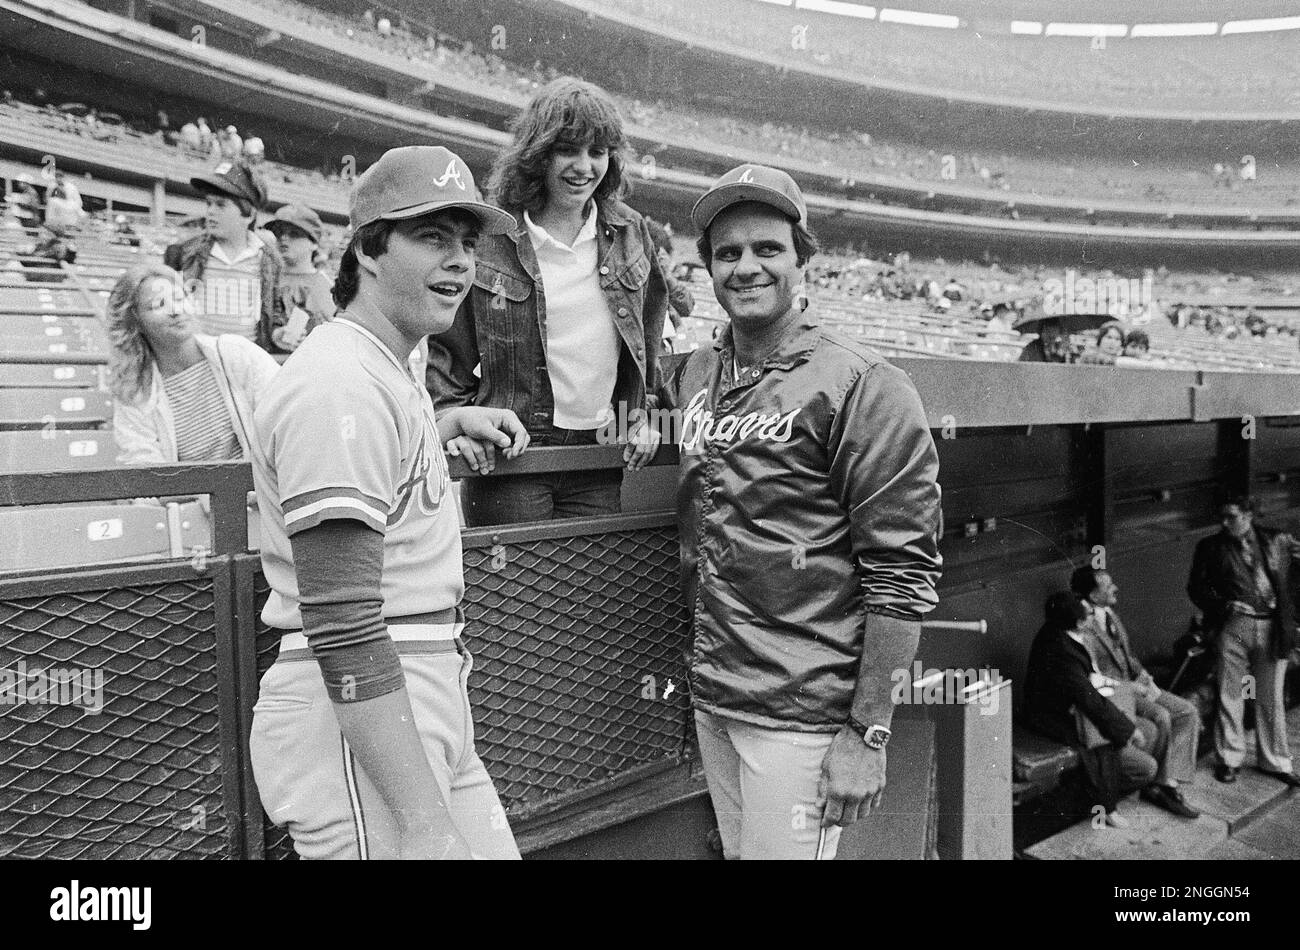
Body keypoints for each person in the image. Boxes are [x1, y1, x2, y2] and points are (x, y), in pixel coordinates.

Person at [247, 145, 527, 860]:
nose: (461, 260)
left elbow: (376, 477)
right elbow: (342, 618)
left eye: (468, 241)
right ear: (369, 251)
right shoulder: (339, 381)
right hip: (360, 704)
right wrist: (423, 819)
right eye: (432, 236)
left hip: (416, 689)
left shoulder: (379, 365)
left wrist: (441, 428)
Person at [659, 164, 942, 859]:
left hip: (800, 713)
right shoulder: (697, 373)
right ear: (709, 270)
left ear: (800, 259)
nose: (746, 267)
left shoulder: (866, 383)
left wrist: (868, 732)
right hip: (715, 697)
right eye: (728, 253)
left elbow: (901, 577)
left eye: (767, 249)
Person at [426, 77, 667, 526]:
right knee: (516, 594)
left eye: (598, 152)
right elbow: (448, 352)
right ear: (538, 153)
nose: (584, 166)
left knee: (591, 592)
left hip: (602, 453)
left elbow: (650, 342)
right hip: (513, 455)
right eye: (568, 149)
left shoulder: (632, 232)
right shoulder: (493, 236)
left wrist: (645, 415)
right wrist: (456, 419)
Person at [105, 264, 278, 464]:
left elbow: (282, 418)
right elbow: (141, 461)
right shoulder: (135, 390)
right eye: (159, 305)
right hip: (186, 494)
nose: (176, 311)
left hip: (259, 488)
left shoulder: (237, 353)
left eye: (180, 298)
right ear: (135, 321)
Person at [1187, 494, 1300, 786]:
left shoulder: (1278, 540)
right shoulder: (1210, 547)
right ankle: (1229, 758)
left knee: (1271, 696)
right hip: (1233, 625)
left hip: (1274, 626)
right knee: (1230, 693)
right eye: (1221, 517)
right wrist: (1224, 604)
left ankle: (1275, 761)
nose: (1224, 523)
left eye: (1231, 516)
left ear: (1249, 514)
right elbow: (1196, 588)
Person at [1071, 567, 1200, 819]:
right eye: (1107, 586)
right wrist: (1132, 687)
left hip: (1135, 684)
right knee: (1161, 716)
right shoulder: (1083, 626)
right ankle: (1159, 785)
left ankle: (1169, 780)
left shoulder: (1110, 614)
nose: (1115, 588)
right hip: (1117, 693)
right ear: (1093, 596)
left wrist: (1145, 677)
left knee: (1187, 711)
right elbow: (1092, 675)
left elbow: (1126, 656)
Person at [1023, 592, 1157, 828]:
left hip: (1071, 707)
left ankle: (1106, 794)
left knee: (1142, 731)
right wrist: (1126, 731)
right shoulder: (1060, 649)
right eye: (1087, 616)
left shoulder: (1060, 632)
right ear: (1077, 623)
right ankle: (1104, 804)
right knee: (1121, 756)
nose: (1092, 617)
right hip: (1054, 717)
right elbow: (1089, 699)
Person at [164, 161, 288, 354]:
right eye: (209, 203)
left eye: (221, 205)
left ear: (248, 214)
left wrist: (277, 334)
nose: (211, 211)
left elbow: (274, 314)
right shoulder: (184, 253)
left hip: (244, 362)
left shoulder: (270, 261)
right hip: (196, 359)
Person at [265, 203, 335, 349]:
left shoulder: (324, 283)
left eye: (294, 233)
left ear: (314, 243)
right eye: (278, 233)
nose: (284, 238)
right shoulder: (267, 277)